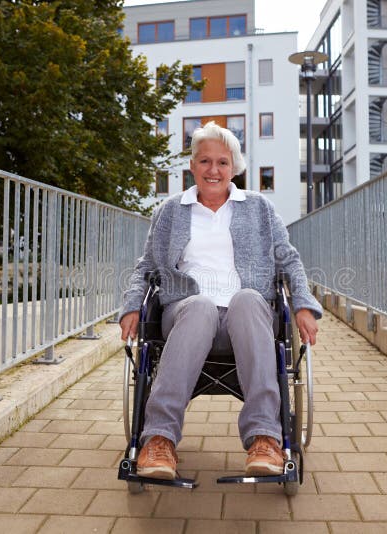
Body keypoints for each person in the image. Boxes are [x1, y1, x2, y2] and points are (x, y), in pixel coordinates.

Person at [119, 121, 321, 480]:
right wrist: (132, 305)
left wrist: (303, 304)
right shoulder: (171, 210)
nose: (214, 170)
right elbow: (146, 266)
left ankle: (265, 437)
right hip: (186, 314)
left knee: (246, 298)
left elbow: (289, 259)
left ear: (235, 166)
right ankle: (159, 440)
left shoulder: (258, 207)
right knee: (199, 305)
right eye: (205, 161)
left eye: (223, 162)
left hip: (247, 315)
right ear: (193, 165)